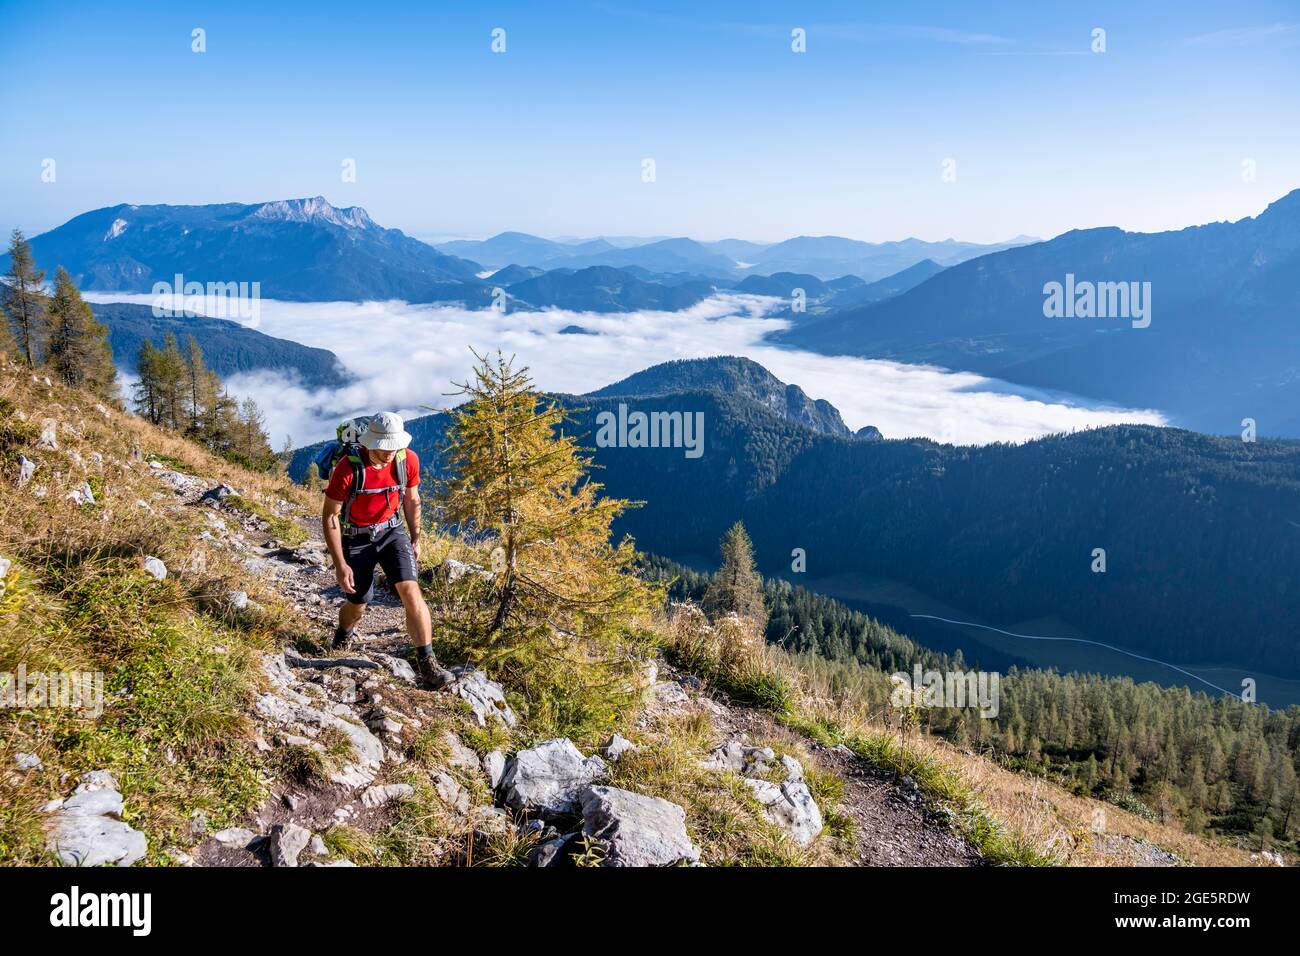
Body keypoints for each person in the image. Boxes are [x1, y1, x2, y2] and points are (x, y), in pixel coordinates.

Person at [320, 411, 454, 689]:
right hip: (356, 538)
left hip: (392, 532)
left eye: (394, 445)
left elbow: (412, 499)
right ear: (369, 443)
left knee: (410, 590)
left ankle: (428, 663)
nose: (390, 452)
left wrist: (416, 537)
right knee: (359, 602)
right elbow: (331, 516)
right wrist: (340, 563)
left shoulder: (407, 460)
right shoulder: (348, 469)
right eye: (383, 447)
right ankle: (343, 634)